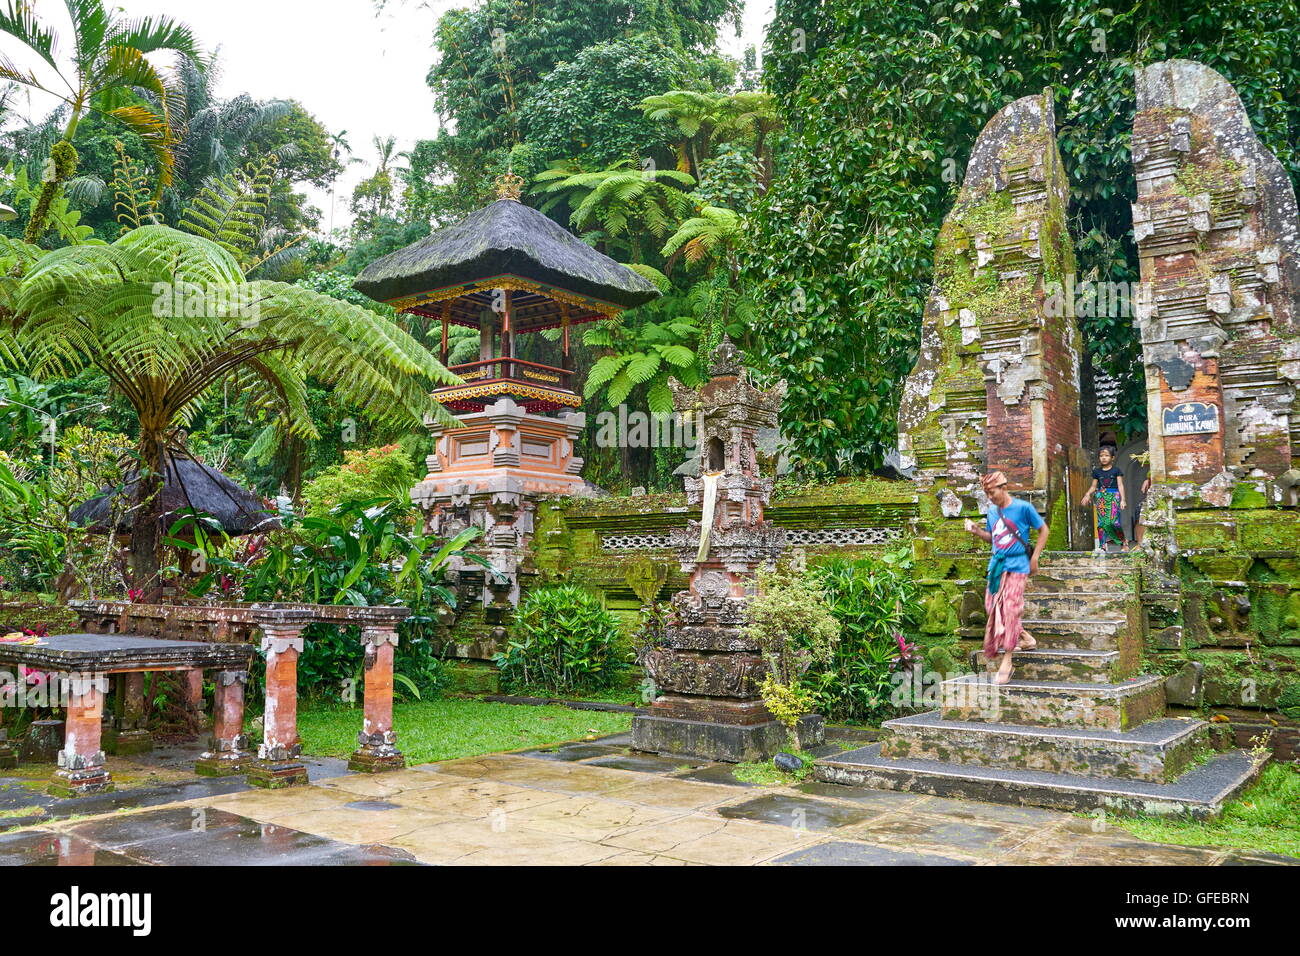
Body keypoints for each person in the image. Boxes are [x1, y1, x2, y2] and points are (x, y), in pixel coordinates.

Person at [964, 471, 1050, 685]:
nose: (990, 497)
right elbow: (993, 538)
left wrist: (1035, 558)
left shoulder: (1023, 508)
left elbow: (1044, 530)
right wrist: (976, 531)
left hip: (1018, 564)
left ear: (1003, 488)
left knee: (1011, 608)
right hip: (996, 564)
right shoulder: (993, 512)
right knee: (993, 607)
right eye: (987, 494)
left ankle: (1008, 660)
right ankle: (1025, 637)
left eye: (992, 492)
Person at [1080, 444, 1126, 553]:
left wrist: (1123, 500)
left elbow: (1120, 486)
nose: (1104, 458)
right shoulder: (1097, 471)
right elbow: (1093, 486)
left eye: (1106, 455)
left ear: (1112, 458)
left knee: (1114, 523)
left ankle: (1123, 542)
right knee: (1102, 523)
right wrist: (1087, 495)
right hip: (1101, 497)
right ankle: (1102, 546)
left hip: (1114, 496)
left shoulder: (1116, 471)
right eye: (1101, 456)